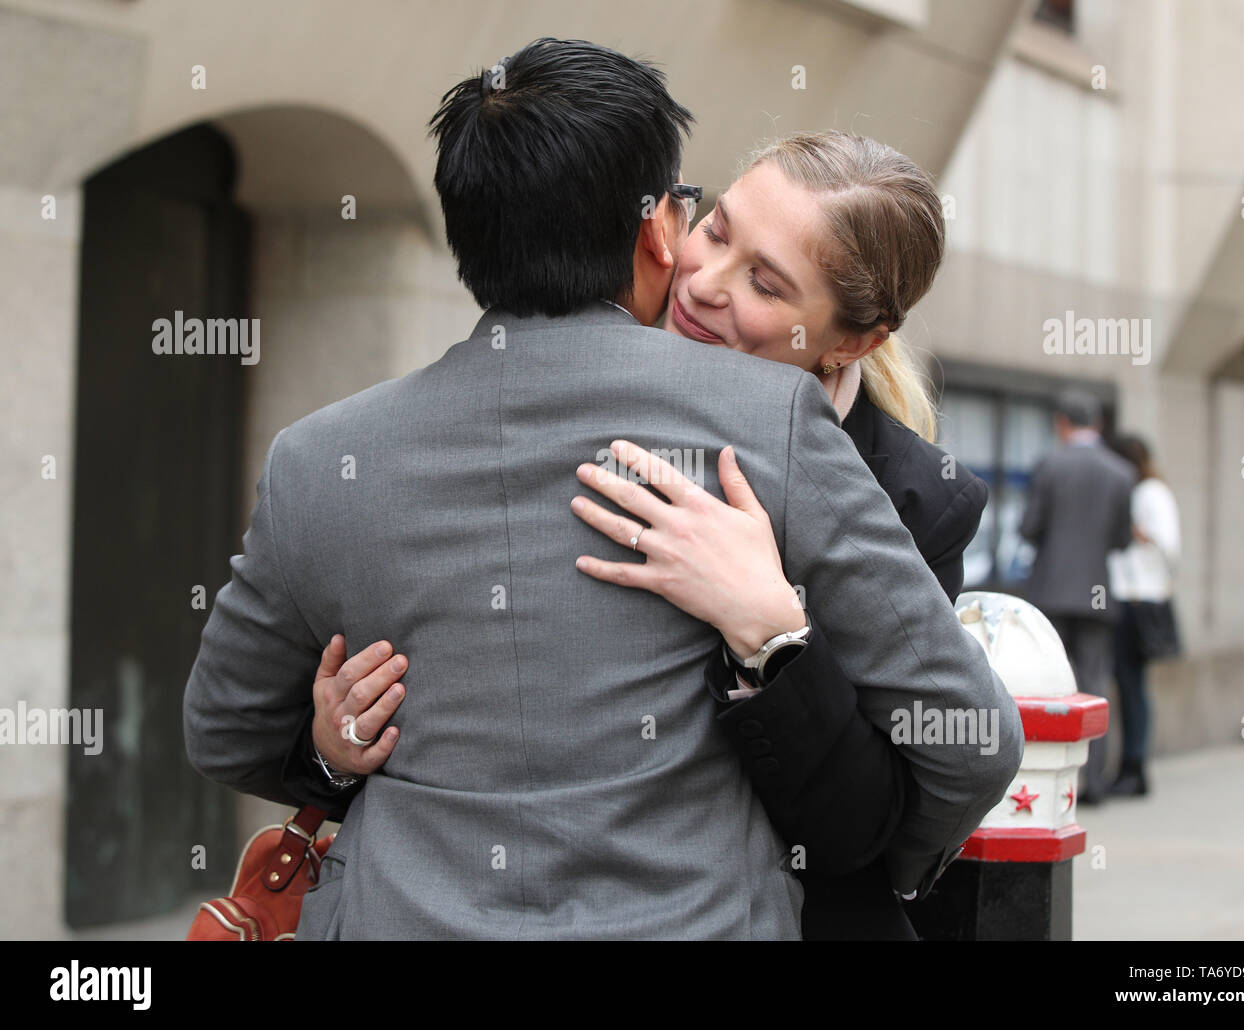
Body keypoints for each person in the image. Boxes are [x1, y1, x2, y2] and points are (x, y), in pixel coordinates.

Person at [185, 38, 1021, 939]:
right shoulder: (770, 417)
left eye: (767, 283)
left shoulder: (321, 460)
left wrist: (776, 635)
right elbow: (971, 741)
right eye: (713, 227)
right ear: (660, 227)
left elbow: (226, 730)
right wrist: (330, 751)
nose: (706, 282)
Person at [1019, 388, 1135, 805]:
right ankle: (1094, 782)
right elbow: (1122, 540)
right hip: (1097, 593)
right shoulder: (1121, 472)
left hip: (1050, 590)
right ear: (1099, 424)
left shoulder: (1049, 464)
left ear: (1061, 423)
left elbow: (1029, 527)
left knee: (1045, 685)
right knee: (1094, 683)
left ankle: (1045, 783)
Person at [1107, 434, 1180, 797]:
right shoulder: (1139, 489)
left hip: (1139, 602)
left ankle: (1134, 767)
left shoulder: (1152, 492)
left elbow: (1170, 544)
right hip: (1128, 600)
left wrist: (1134, 532)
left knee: (1132, 686)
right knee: (1127, 685)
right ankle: (1129, 767)